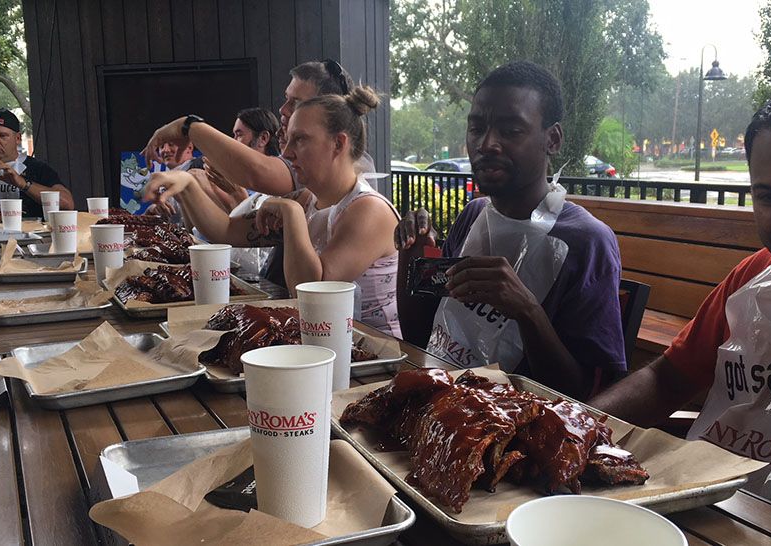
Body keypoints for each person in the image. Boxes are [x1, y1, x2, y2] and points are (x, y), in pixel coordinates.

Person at [590, 82, 771, 540]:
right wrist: (578, 426)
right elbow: (667, 378)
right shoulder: (754, 273)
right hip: (695, 514)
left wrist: (747, 518)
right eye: (770, 196)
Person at [394, 61, 625, 400]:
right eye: (476, 129)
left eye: (510, 130)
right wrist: (412, 261)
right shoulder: (473, 215)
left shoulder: (588, 242)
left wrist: (527, 311)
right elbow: (422, 338)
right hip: (443, 407)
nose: (487, 144)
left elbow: (585, 398)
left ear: (553, 139)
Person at [142, 86, 401, 337]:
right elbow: (226, 231)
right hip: (324, 347)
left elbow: (310, 294)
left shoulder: (368, 209)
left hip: (375, 359)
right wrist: (187, 185)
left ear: (338, 144)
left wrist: (291, 213)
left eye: (300, 139)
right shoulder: (308, 199)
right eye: (288, 140)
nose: (287, 152)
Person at [141, 59, 371, 199]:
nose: (283, 109)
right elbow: (229, 230)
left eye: (297, 103)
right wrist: (187, 186)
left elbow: (255, 172)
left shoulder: (353, 170)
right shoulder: (310, 192)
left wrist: (188, 126)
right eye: (286, 99)